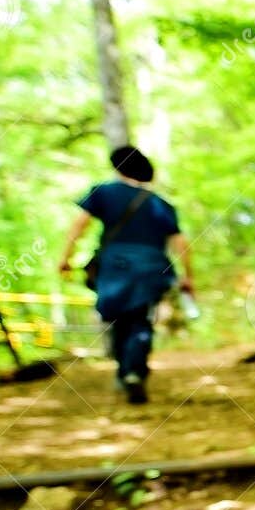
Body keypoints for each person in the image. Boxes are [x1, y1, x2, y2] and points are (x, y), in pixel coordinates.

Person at [58, 145, 193, 404]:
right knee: (141, 319)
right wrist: (188, 277)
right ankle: (133, 372)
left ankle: (126, 371)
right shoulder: (161, 204)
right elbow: (181, 243)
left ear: (119, 168)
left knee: (117, 319)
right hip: (152, 267)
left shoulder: (104, 192)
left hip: (115, 266)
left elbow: (79, 225)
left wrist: (66, 257)